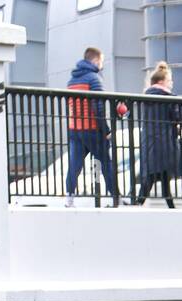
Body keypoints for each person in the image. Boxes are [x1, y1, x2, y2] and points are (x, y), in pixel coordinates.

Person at [134, 61, 182, 209]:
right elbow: (177, 118)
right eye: (170, 80)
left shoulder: (146, 97)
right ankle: (142, 202)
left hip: (149, 140)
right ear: (162, 82)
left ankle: (145, 202)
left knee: (154, 173)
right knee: (161, 174)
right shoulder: (168, 97)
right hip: (164, 142)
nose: (172, 83)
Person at [65, 47, 121, 207]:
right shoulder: (93, 78)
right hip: (92, 129)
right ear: (96, 60)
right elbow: (99, 107)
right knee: (105, 163)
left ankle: (69, 199)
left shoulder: (72, 80)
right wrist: (106, 131)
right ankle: (115, 199)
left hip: (75, 130)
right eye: (101, 61)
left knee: (74, 165)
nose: (101, 65)